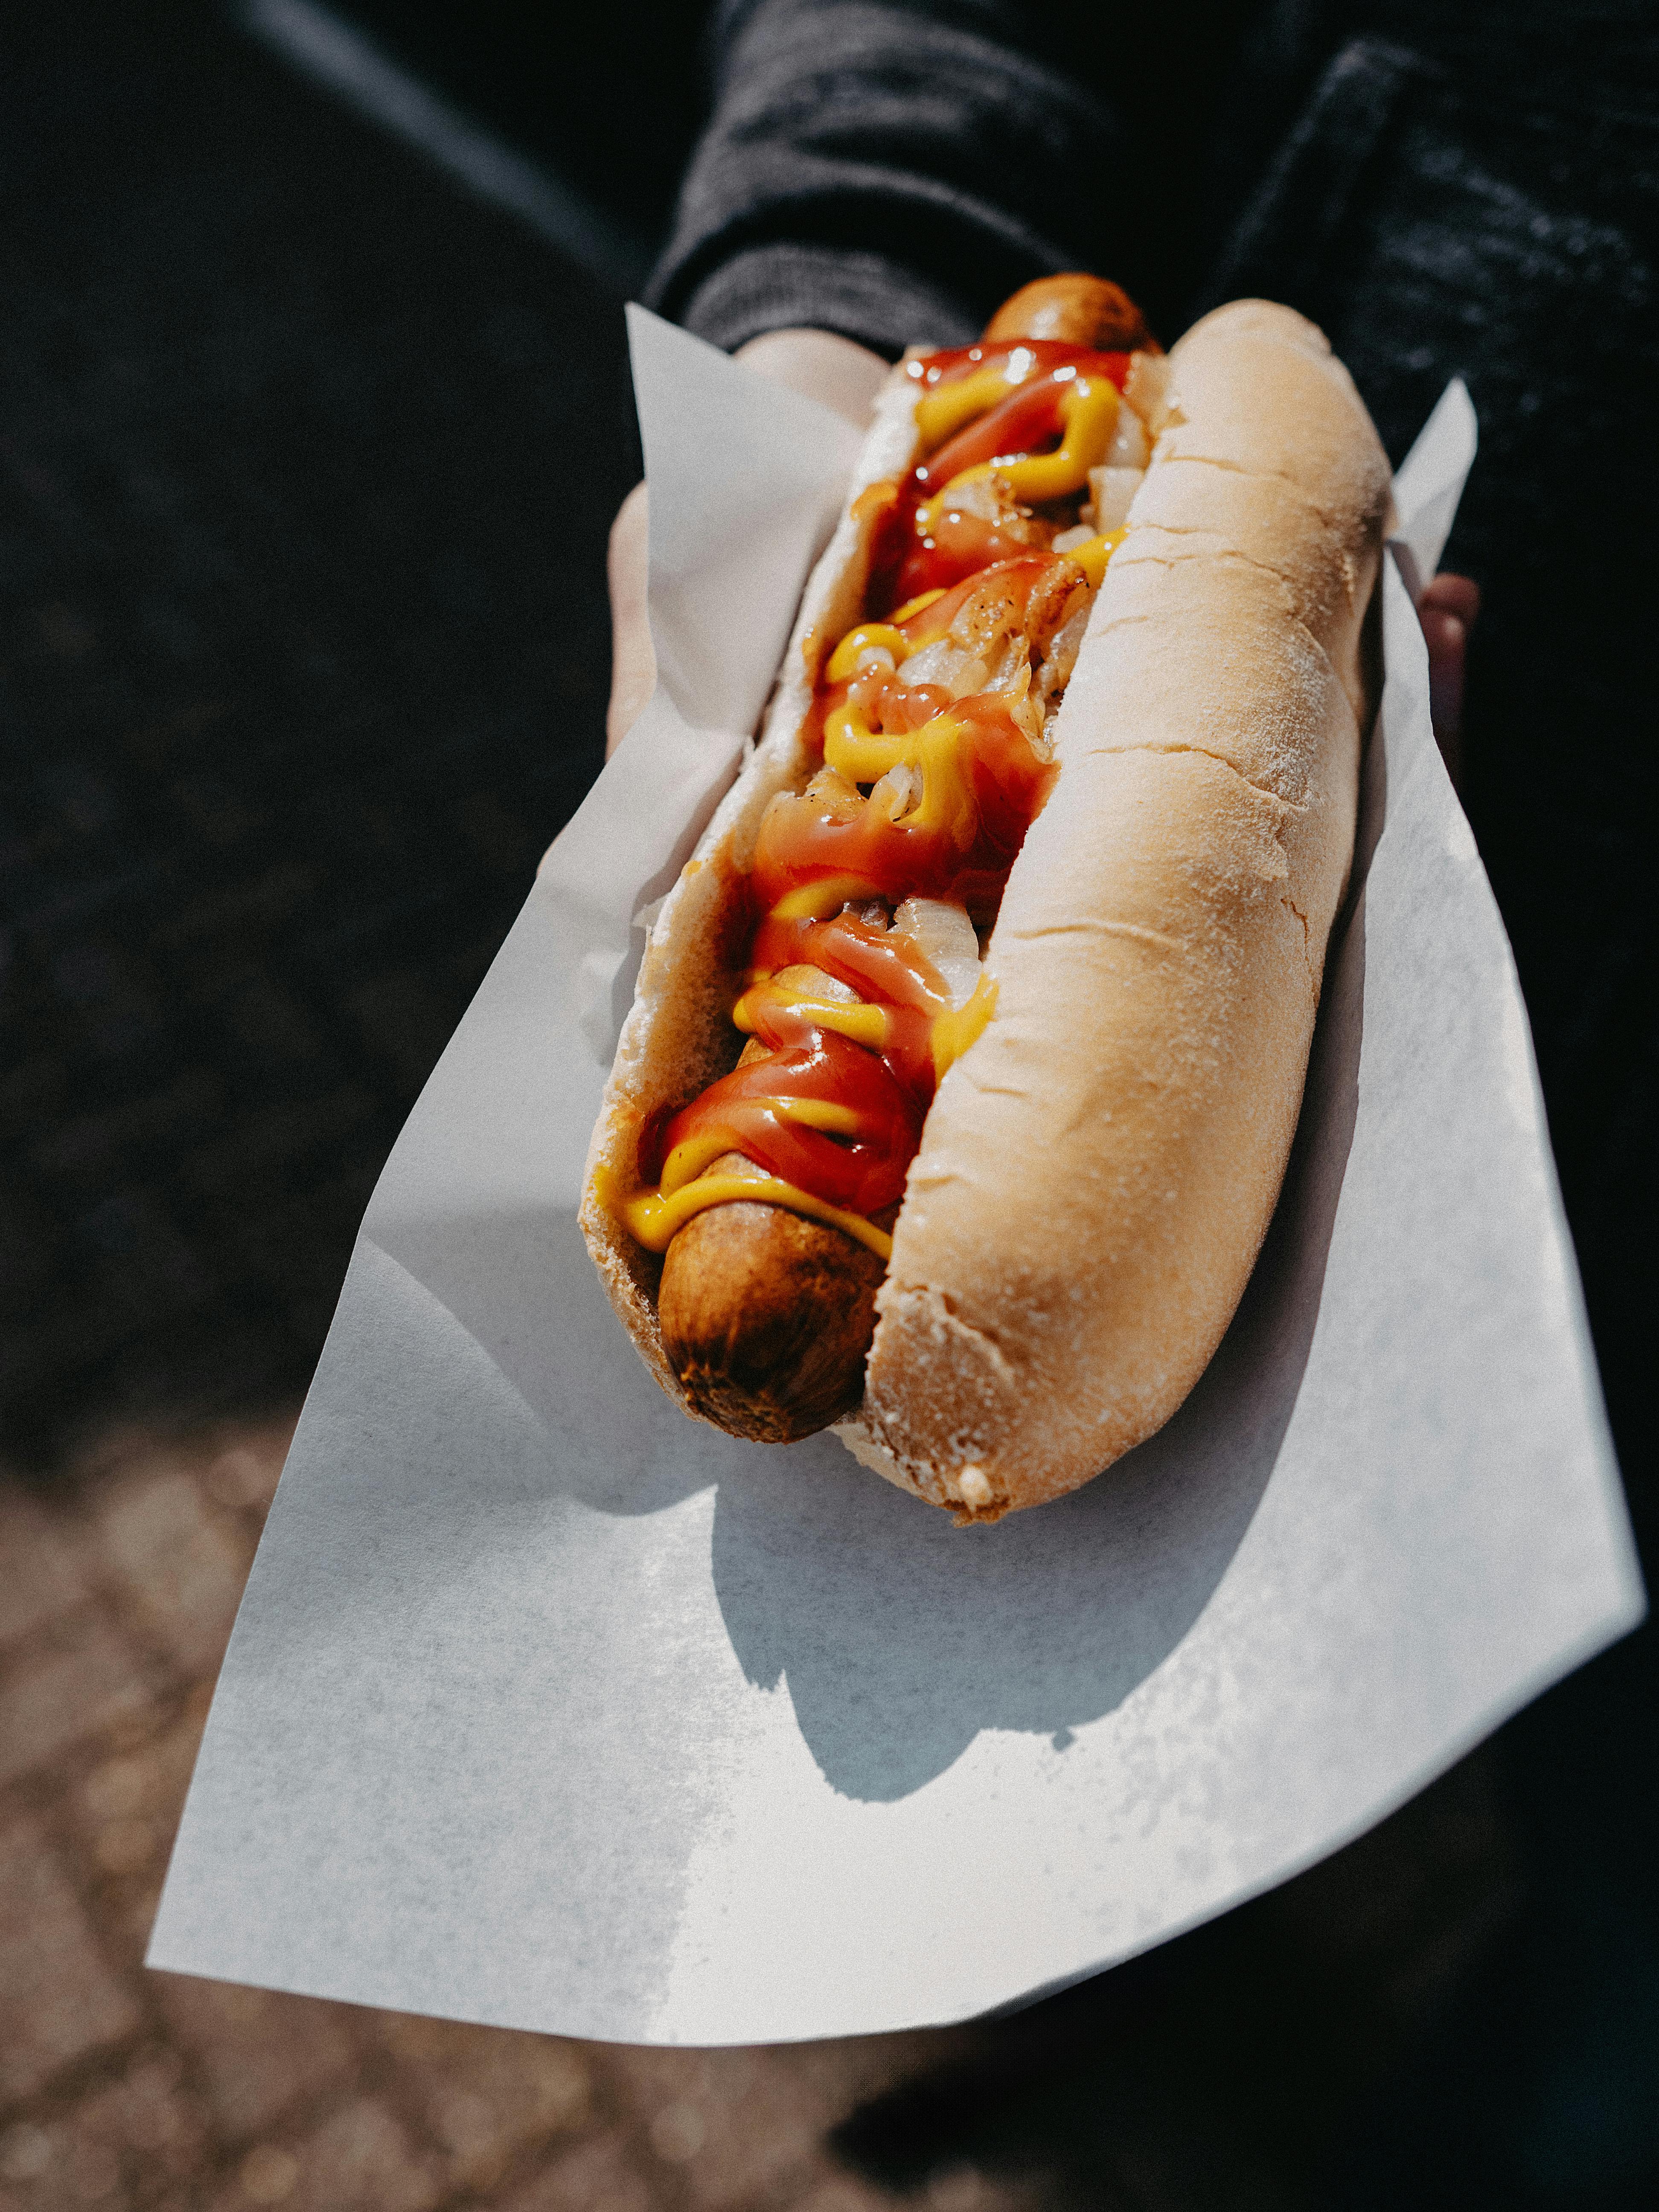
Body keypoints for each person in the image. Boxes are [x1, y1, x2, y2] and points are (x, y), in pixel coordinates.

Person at [593, 4, 1659, 2202]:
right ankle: (1131, 1947)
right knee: (1150, 1672)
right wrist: (818, 323)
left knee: (1626, 1875)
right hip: (1267, 1067)